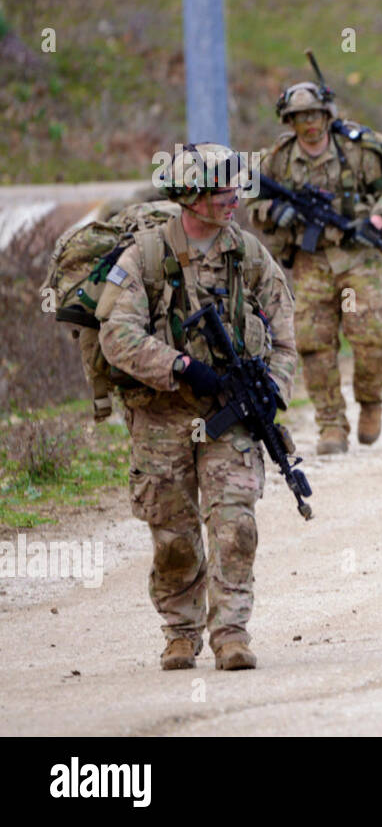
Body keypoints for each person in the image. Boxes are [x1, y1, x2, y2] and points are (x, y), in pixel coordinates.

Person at [98, 143, 297, 670]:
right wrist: (181, 367)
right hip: (163, 416)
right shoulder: (143, 256)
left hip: (229, 413)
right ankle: (180, 631)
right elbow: (116, 335)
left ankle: (231, 632)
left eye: (235, 187)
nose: (233, 198)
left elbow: (285, 337)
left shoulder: (249, 255)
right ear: (191, 196)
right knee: (174, 537)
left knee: (236, 524)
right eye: (221, 190)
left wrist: (274, 388)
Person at [249, 81, 382, 455]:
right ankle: (331, 424)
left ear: (326, 115)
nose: (309, 124)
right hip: (311, 263)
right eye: (300, 117)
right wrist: (273, 211)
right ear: (289, 121)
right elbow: (251, 199)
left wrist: (379, 220)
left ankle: (371, 401)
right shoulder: (278, 160)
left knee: (371, 336)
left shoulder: (356, 152)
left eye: (315, 115)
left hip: (356, 258)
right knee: (313, 344)